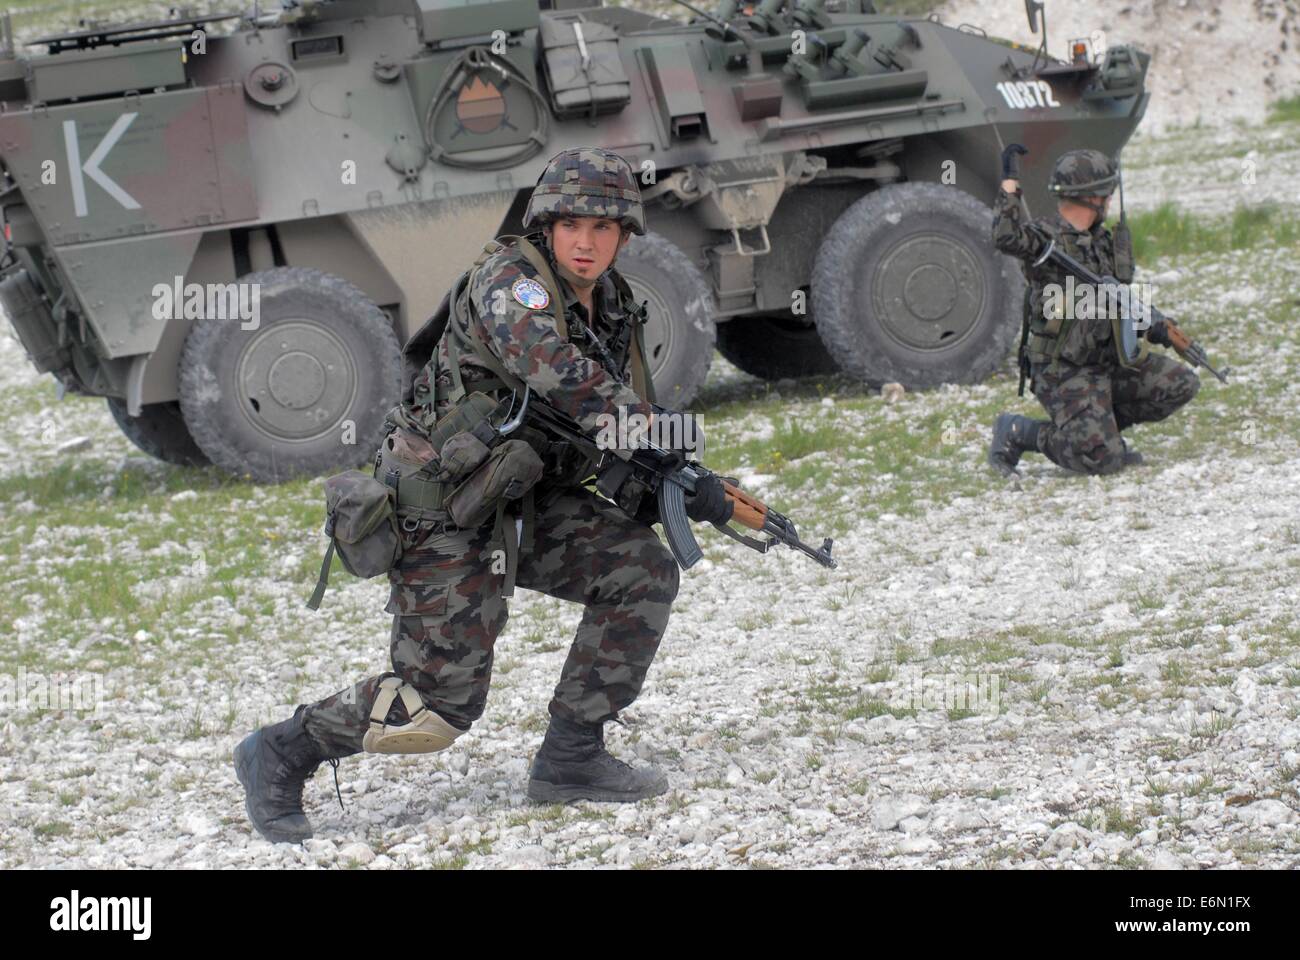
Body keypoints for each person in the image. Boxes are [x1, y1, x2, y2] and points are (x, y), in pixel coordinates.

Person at [234, 148, 732, 843]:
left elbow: (593, 424)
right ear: (546, 226)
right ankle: (283, 749)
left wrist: (680, 485)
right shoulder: (511, 282)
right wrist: (663, 443)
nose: (586, 243)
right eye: (571, 226)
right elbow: (559, 373)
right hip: (443, 508)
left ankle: (571, 758)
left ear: (625, 235)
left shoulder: (615, 306)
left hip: (522, 496)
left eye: (604, 228)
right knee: (434, 711)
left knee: (641, 571)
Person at [987, 148, 1200, 477]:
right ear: (1092, 197)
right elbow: (1004, 237)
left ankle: (1097, 431)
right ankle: (1020, 431)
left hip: (1106, 361)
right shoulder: (1044, 238)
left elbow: (1119, 298)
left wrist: (1156, 325)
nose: (1111, 201)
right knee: (1104, 460)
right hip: (1064, 370)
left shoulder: (1101, 241)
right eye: (1107, 194)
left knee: (1179, 384)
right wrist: (1010, 183)